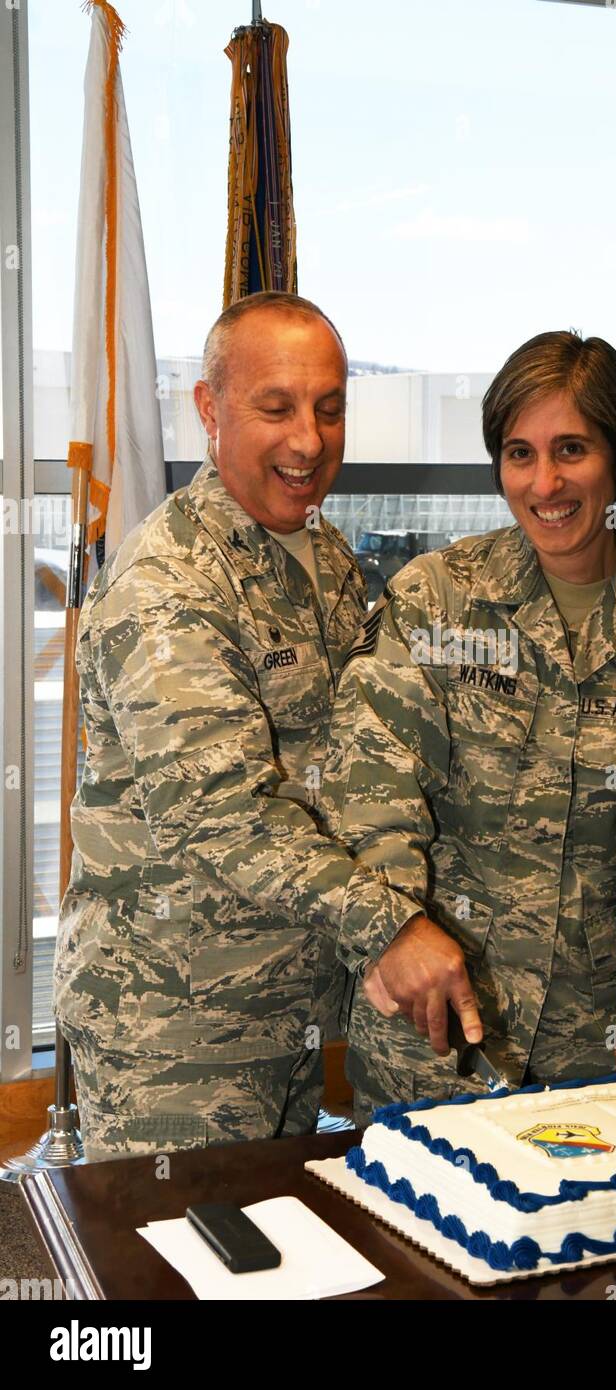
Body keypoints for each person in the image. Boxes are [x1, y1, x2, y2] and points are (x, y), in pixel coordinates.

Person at [322, 330, 616, 1126]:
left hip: (603, 1051)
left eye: (571, 450)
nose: (544, 482)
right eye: (520, 453)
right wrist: (392, 929)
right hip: (433, 1040)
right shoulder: (435, 601)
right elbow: (372, 795)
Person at [53, 291, 420, 1159]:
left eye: (330, 409)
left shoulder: (326, 561)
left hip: (287, 1009)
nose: (309, 439)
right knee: (172, 1270)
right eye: (277, 407)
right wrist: (391, 930)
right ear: (210, 410)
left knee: (281, 1263)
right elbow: (222, 813)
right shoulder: (168, 584)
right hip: (172, 1029)